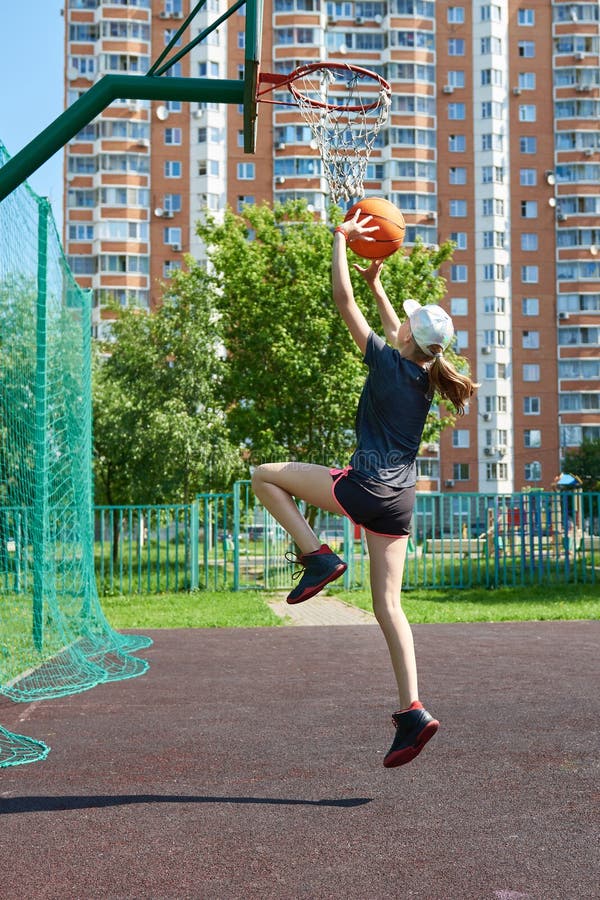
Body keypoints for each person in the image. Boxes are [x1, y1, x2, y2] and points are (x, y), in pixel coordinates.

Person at [251, 209, 478, 767]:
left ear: (405, 337)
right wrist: (380, 284)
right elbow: (404, 335)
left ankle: (317, 556)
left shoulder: (385, 361)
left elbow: (342, 302)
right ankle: (413, 712)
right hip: (401, 499)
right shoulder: (426, 374)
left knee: (264, 476)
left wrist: (338, 241)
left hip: (367, 485)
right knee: (388, 606)